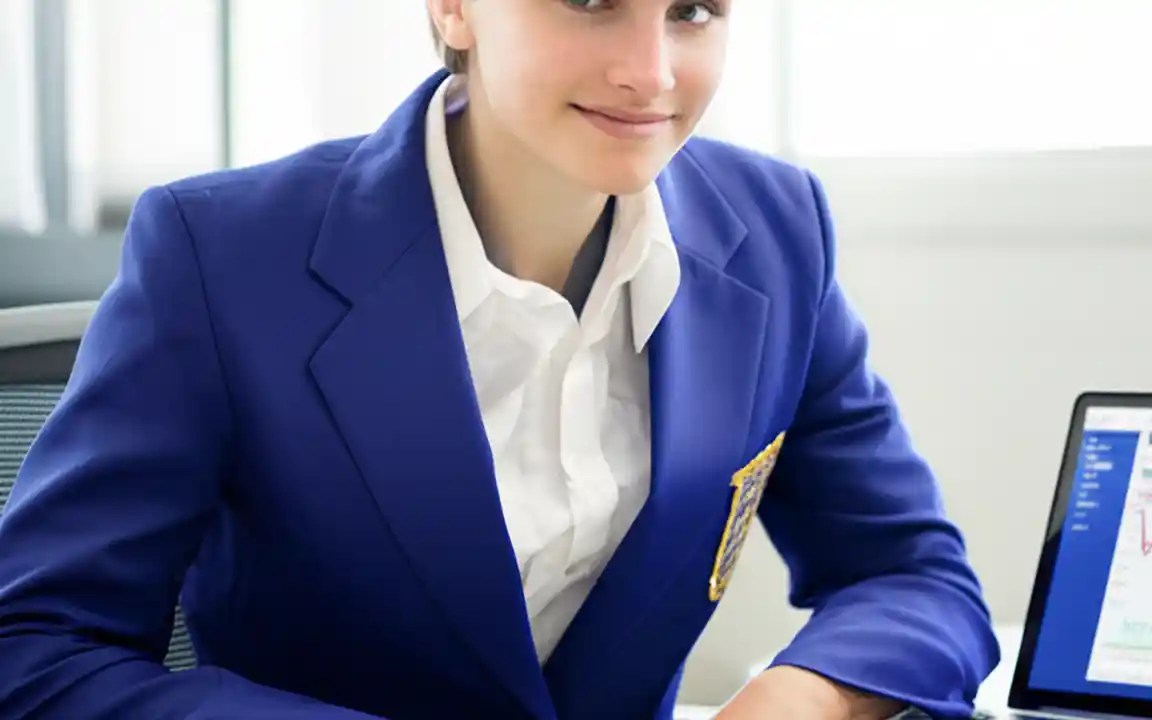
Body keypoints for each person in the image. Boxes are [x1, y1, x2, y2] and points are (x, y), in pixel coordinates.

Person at [0, 1, 999, 718]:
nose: (650, 71)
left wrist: (797, 701)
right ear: (453, 10)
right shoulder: (219, 254)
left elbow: (915, 578)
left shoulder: (776, 234)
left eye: (692, 11)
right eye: (591, 2)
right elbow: (35, 650)